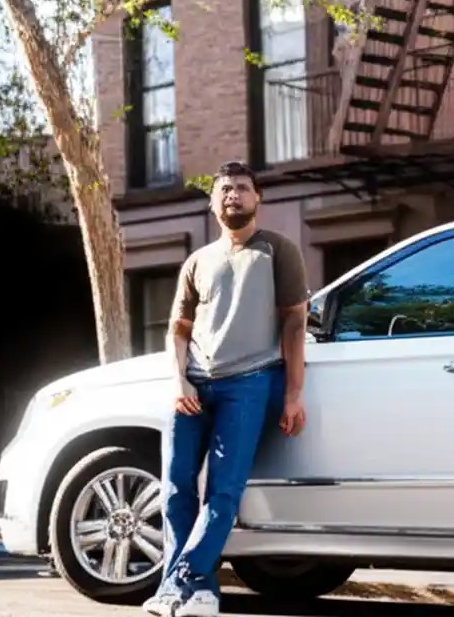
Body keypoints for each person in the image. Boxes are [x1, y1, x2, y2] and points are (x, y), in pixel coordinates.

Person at [143, 161, 309, 617]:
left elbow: (296, 321)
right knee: (176, 488)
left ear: (258, 199)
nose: (233, 195)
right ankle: (201, 592)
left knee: (223, 491)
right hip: (193, 385)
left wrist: (293, 393)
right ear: (213, 202)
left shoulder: (279, 250)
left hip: (251, 381)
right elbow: (178, 328)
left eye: (242, 188)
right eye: (225, 190)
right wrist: (178, 379)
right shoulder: (197, 261)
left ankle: (179, 581)